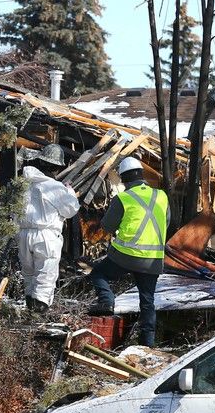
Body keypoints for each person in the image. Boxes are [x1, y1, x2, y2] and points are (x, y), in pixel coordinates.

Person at [88, 156, 168, 346]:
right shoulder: (162, 196)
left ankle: (107, 301)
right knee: (147, 302)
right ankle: (147, 344)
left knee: (98, 273)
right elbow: (167, 222)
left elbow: (107, 226)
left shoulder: (123, 198)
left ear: (123, 179)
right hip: (153, 259)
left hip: (125, 256)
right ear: (142, 175)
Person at [17, 144, 80, 313]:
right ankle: (38, 316)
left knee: (29, 276)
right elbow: (71, 209)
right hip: (46, 236)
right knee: (45, 277)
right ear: (57, 167)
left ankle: (30, 311)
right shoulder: (54, 187)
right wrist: (69, 192)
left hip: (23, 234)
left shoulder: (23, 184)